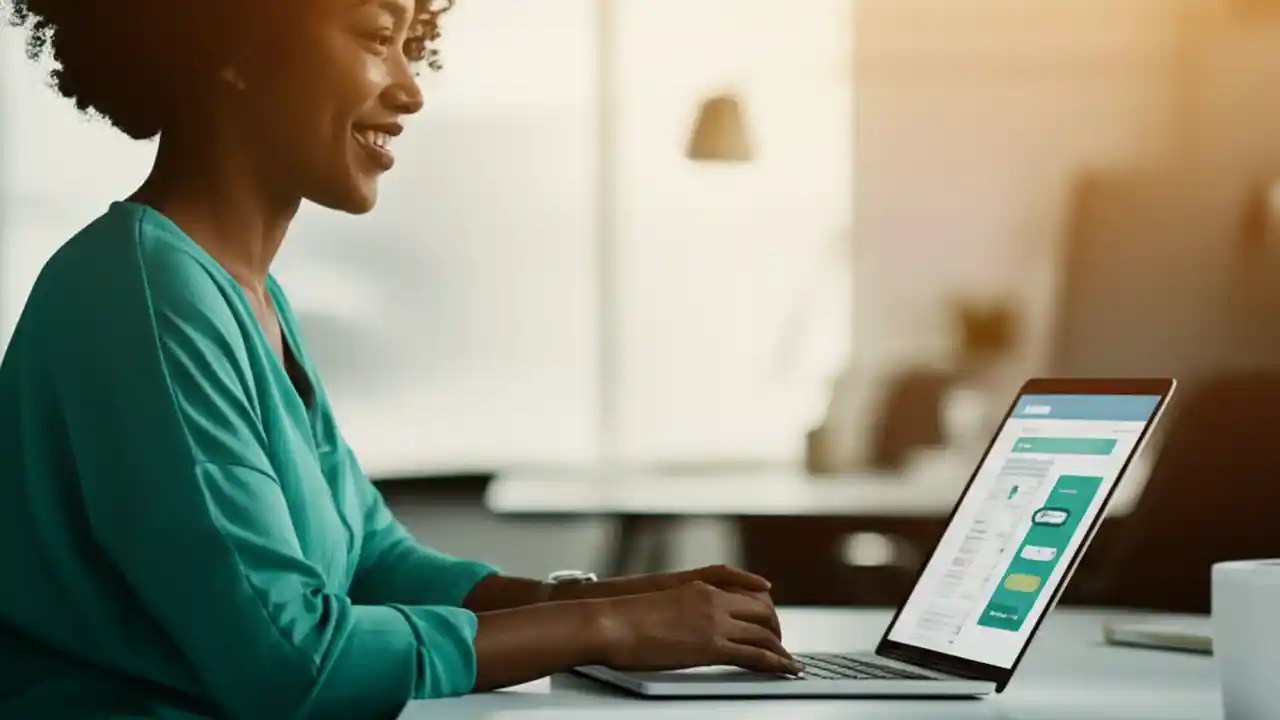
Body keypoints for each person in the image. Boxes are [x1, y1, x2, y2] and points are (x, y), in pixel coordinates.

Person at [0, 1, 801, 717]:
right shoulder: (147, 293)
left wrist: (609, 598)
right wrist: (605, 627)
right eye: (378, 37)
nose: (410, 88)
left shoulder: (246, 296)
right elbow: (291, 664)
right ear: (232, 41)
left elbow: (374, 562)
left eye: (412, 40)